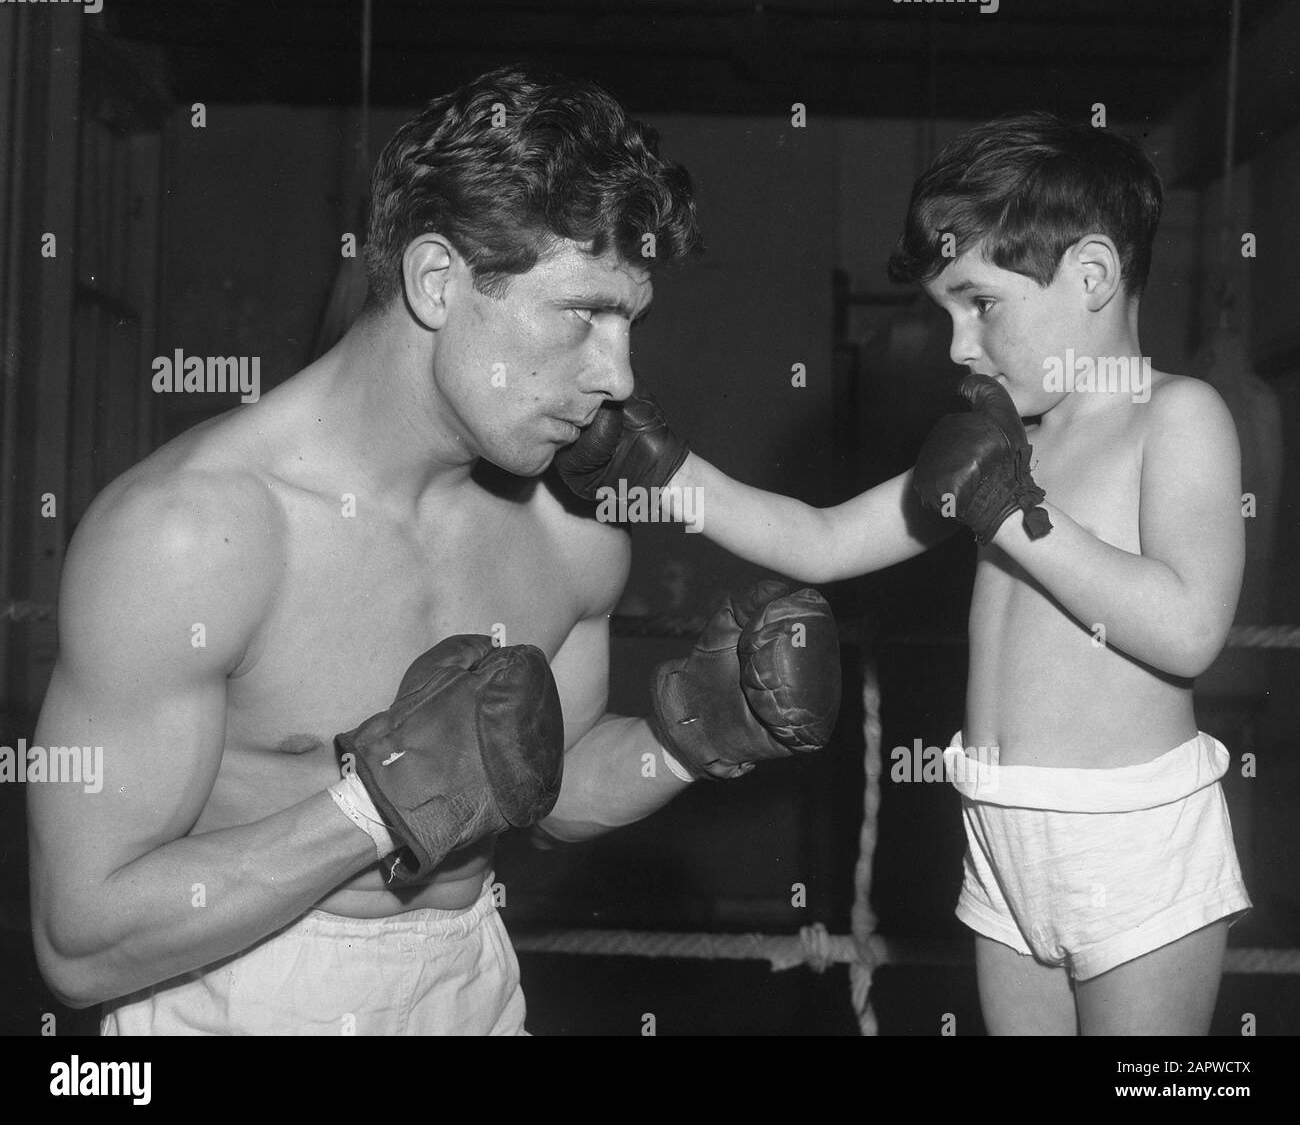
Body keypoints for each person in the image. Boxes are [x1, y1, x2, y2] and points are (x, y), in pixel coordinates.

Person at [27, 66, 840, 1036]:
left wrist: (691, 735)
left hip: (470, 984)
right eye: (581, 313)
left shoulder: (572, 535)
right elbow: (79, 942)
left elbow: (546, 784)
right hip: (239, 993)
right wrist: (374, 806)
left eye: (630, 322)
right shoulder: (192, 535)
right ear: (436, 281)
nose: (616, 376)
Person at [559, 112, 1251, 1035]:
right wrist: (669, 473)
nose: (961, 346)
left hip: (1128, 833)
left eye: (982, 303)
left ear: (1091, 275)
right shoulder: (1001, 443)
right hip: (1000, 829)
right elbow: (823, 539)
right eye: (948, 314)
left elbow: (1192, 627)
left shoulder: (1179, 417)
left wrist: (1017, 516)